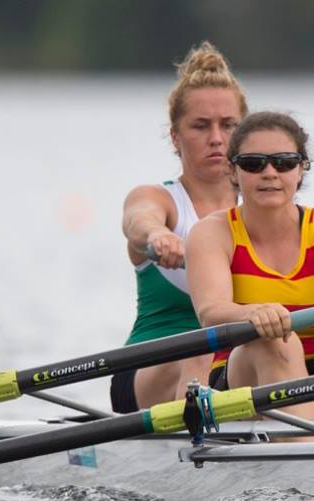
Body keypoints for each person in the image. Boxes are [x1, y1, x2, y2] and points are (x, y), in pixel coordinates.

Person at [186, 111, 314, 422]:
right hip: (244, 371)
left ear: (300, 170)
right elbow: (211, 310)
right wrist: (252, 313)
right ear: (233, 171)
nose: (270, 172)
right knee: (275, 343)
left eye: (284, 162)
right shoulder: (213, 233)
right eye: (253, 163)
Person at [110, 41, 247, 413]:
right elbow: (139, 220)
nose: (217, 138)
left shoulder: (264, 211)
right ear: (175, 136)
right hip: (150, 369)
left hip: (230, 372)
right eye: (201, 126)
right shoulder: (163, 202)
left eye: (228, 125)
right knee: (200, 346)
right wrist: (158, 236)